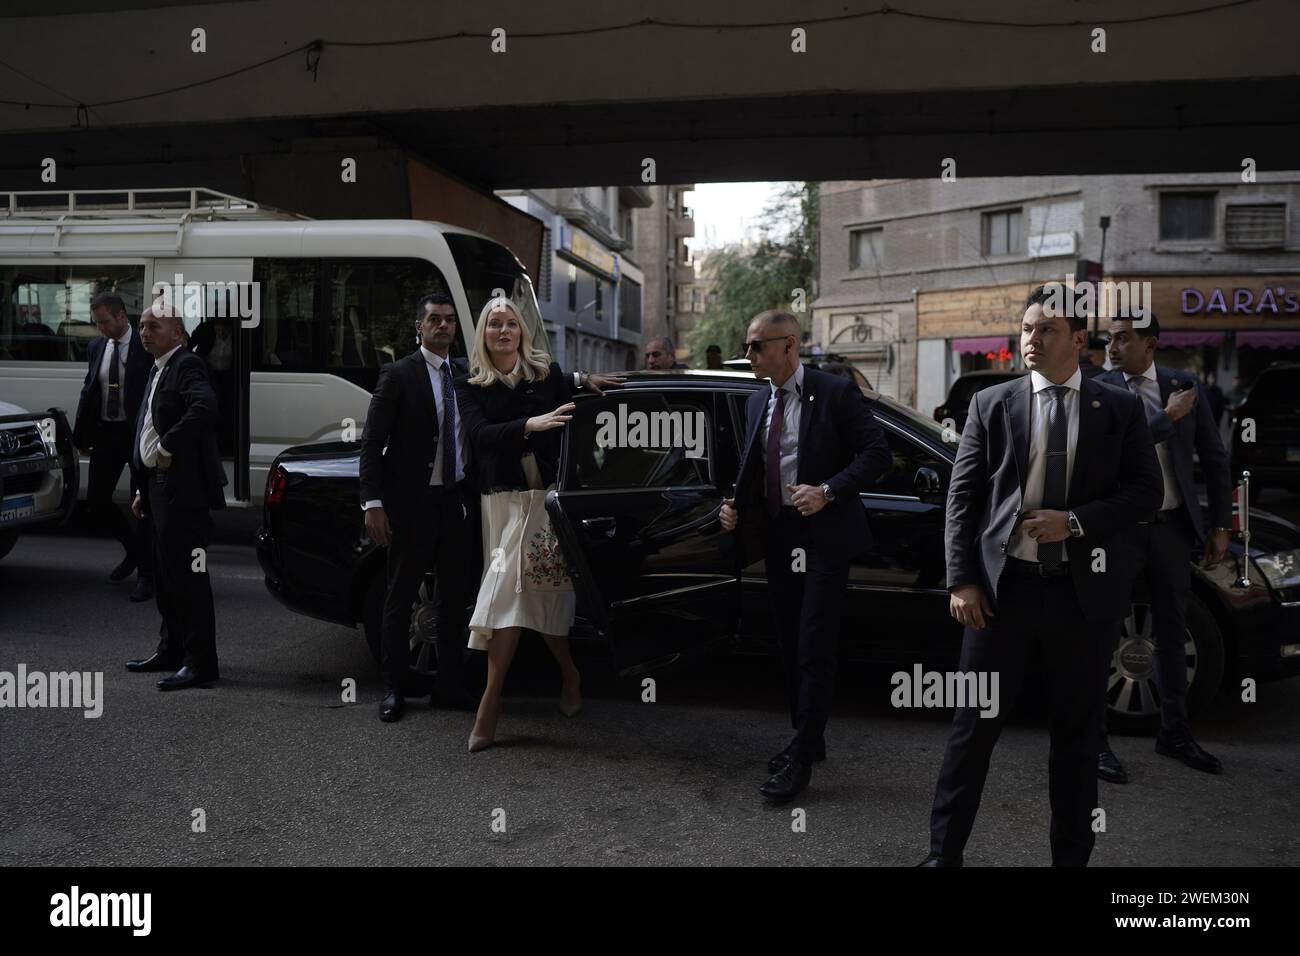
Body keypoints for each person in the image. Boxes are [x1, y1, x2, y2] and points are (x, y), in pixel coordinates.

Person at [920, 285, 1162, 867]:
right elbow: (963, 497)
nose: (1032, 339)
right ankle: (941, 857)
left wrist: (1075, 522)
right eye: (1027, 329)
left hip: (1083, 599)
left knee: (1076, 742)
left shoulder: (1120, 408)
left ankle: (1070, 860)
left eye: (1047, 329)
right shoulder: (992, 402)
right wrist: (962, 580)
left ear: (1079, 340)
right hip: (1003, 595)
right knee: (971, 733)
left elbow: (1145, 492)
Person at [719, 310, 891, 802]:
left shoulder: (833, 391)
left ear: (788, 346)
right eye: (748, 346)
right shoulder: (757, 402)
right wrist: (733, 507)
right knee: (790, 642)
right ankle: (806, 739)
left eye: (756, 346)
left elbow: (877, 453)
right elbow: (753, 468)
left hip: (823, 537)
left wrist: (829, 491)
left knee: (815, 644)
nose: (748, 355)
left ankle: (801, 757)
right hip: (779, 537)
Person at [455, 297, 622, 751]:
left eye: (512, 323)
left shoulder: (547, 376)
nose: (504, 331)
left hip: (546, 505)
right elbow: (480, 436)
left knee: (529, 596)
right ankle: (566, 674)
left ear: (523, 333)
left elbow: (574, 415)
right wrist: (530, 424)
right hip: (502, 503)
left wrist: (582, 381)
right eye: (495, 324)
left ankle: (490, 705)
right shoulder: (469, 382)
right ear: (483, 334)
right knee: (518, 599)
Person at [1097, 315, 1231, 780]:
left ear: (1150, 344)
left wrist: (1220, 525)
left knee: (1173, 635)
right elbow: (1107, 451)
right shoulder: (1099, 388)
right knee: (1102, 633)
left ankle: (1175, 734)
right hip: (1117, 532)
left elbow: (1214, 459)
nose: (1111, 346)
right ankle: (1095, 743)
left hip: (1171, 529)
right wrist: (1166, 418)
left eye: (1122, 339)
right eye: (1108, 339)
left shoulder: (1186, 386)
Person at [358, 293, 478, 723]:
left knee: (454, 599)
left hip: (456, 502)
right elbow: (372, 442)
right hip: (412, 505)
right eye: (434, 320)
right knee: (400, 598)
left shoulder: (465, 373)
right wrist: (373, 503)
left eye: (448, 320)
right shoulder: (398, 375)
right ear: (419, 327)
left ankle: (448, 685)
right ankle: (394, 688)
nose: (443, 326)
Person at [124, 299, 227, 690]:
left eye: (154, 325)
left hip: (185, 493)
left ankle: (200, 663)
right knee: (167, 577)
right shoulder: (157, 369)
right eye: (143, 325)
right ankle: (170, 649)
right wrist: (141, 486)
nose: (145, 331)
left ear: (178, 333)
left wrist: (168, 448)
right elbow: (146, 428)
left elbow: (204, 407)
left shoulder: (187, 364)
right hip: (156, 488)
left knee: (190, 577)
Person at [73, 292, 155, 602]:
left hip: (136, 435)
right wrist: (81, 436)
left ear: (122, 316)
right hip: (107, 433)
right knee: (96, 500)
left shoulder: (144, 345)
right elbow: (89, 390)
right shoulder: (96, 348)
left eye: (105, 322)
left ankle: (148, 575)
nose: (101, 329)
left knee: (142, 504)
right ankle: (134, 552)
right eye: (97, 323)